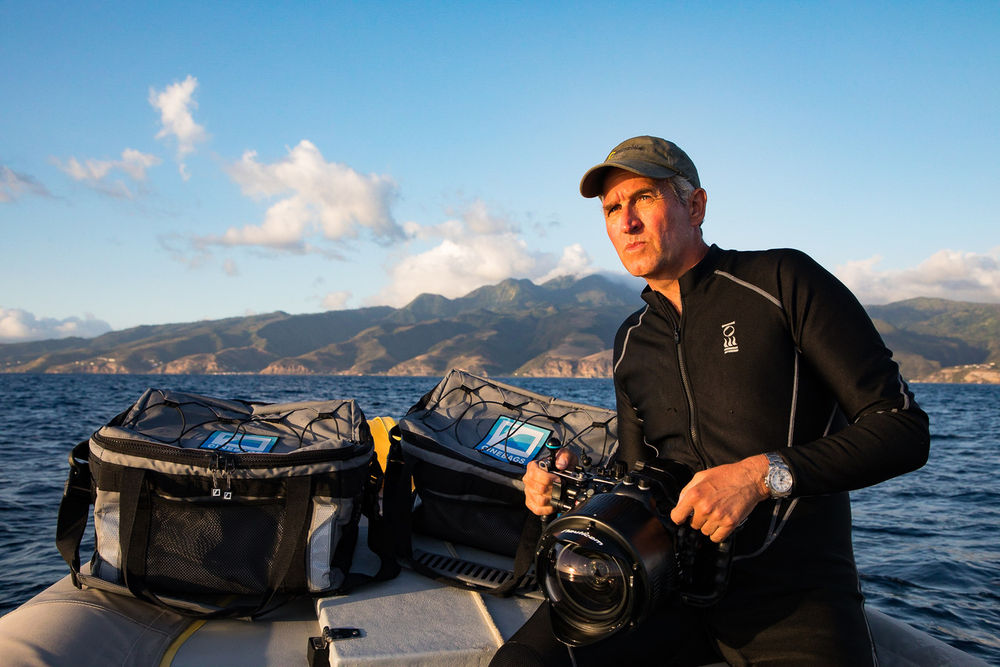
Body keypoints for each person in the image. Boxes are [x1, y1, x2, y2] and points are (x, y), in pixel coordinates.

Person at [492, 136, 930, 666]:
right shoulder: (631, 340)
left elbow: (902, 428)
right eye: (612, 209)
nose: (626, 221)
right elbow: (640, 473)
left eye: (644, 199)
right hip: (658, 586)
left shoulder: (782, 282)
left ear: (695, 206)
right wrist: (566, 483)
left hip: (793, 599)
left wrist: (758, 476)